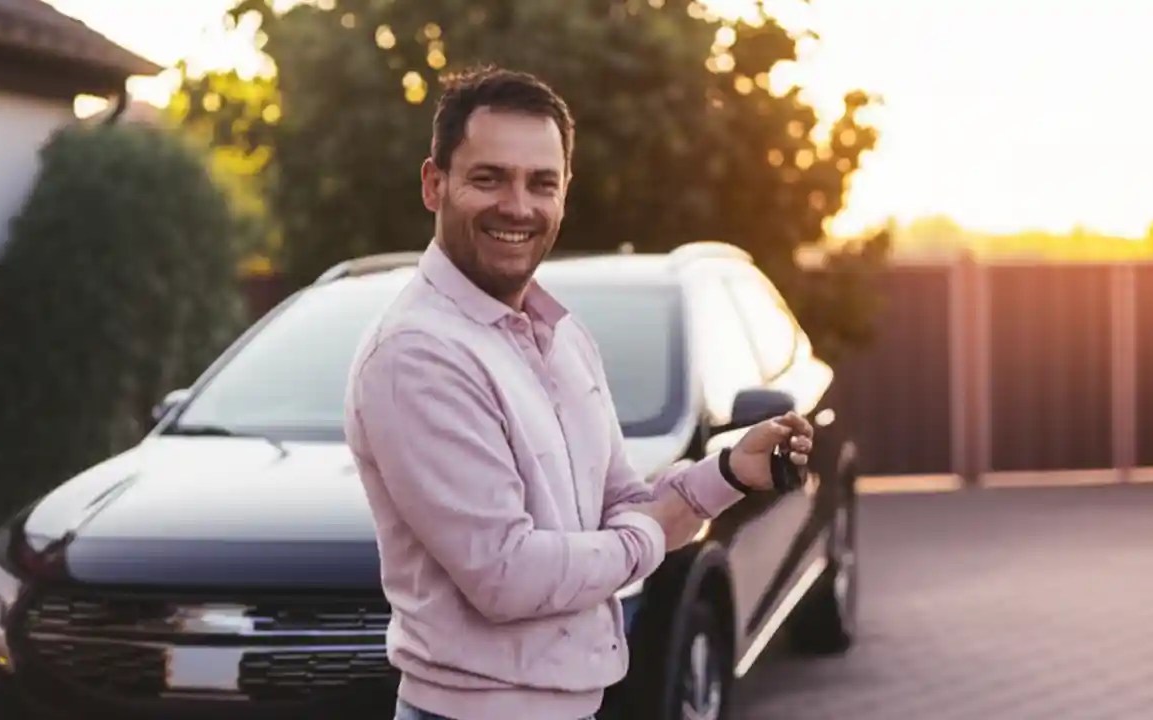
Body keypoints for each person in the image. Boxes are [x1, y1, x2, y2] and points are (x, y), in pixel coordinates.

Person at [344, 66, 814, 720]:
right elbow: (507, 574)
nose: (518, 206)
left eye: (542, 182)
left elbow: (622, 502)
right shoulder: (417, 354)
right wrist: (641, 539)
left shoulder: (559, 335)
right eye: (489, 178)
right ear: (435, 184)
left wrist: (731, 472)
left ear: (565, 192)